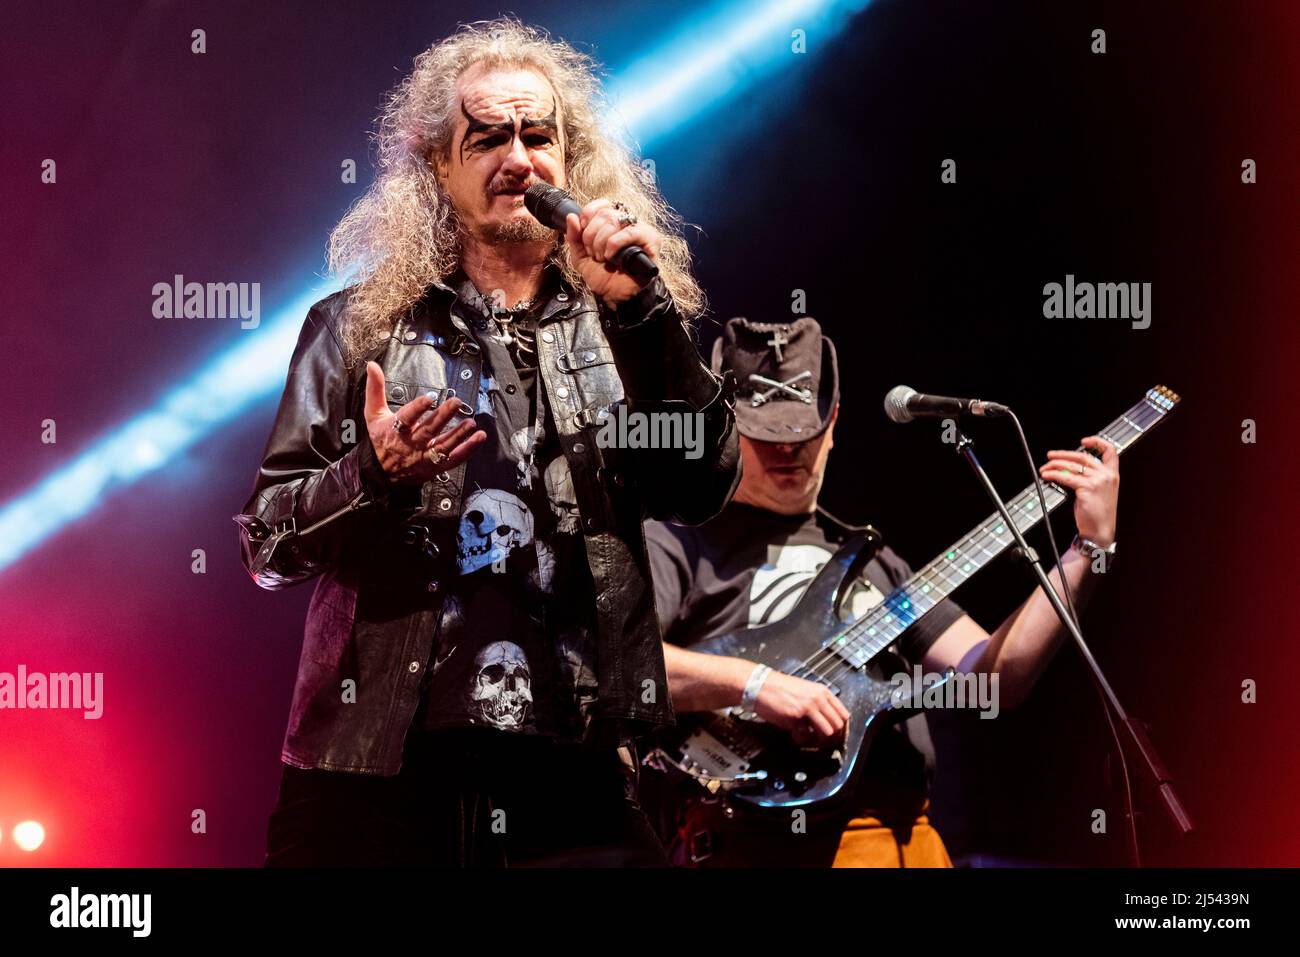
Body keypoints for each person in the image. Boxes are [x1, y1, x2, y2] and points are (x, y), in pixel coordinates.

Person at [233, 18, 740, 867]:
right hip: (376, 775)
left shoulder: (624, 319)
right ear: (439, 163)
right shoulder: (356, 329)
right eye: (487, 137)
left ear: (567, 155)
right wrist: (374, 473)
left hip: (573, 762)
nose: (518, 157)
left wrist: (642, 318)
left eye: (537, 135)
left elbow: (702, 486)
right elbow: (264, 542)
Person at [644, 316, 1120, 867]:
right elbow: (623, 669)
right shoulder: (677, 539)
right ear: (724, 429)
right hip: (753, 842)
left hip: (901, 844)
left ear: (835, 422)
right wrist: (754, 684)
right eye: (766, 434)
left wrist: (1087, 550)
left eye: (805, 432)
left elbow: (997, 677)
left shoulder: (874, 560)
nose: (788, 452)